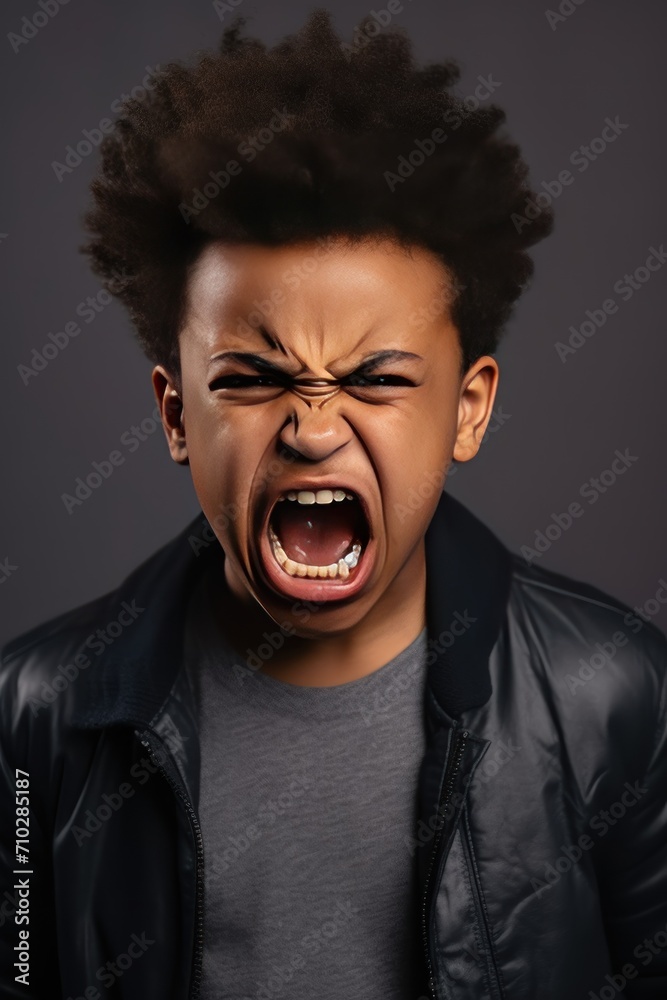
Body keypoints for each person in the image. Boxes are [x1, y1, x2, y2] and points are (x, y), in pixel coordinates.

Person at [1, 9, 665, 999]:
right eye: (254, 376)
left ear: (467, 409)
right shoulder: (38, 718)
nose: (313, 428)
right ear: (176, 411)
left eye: (379, 379)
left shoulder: (607, 693)